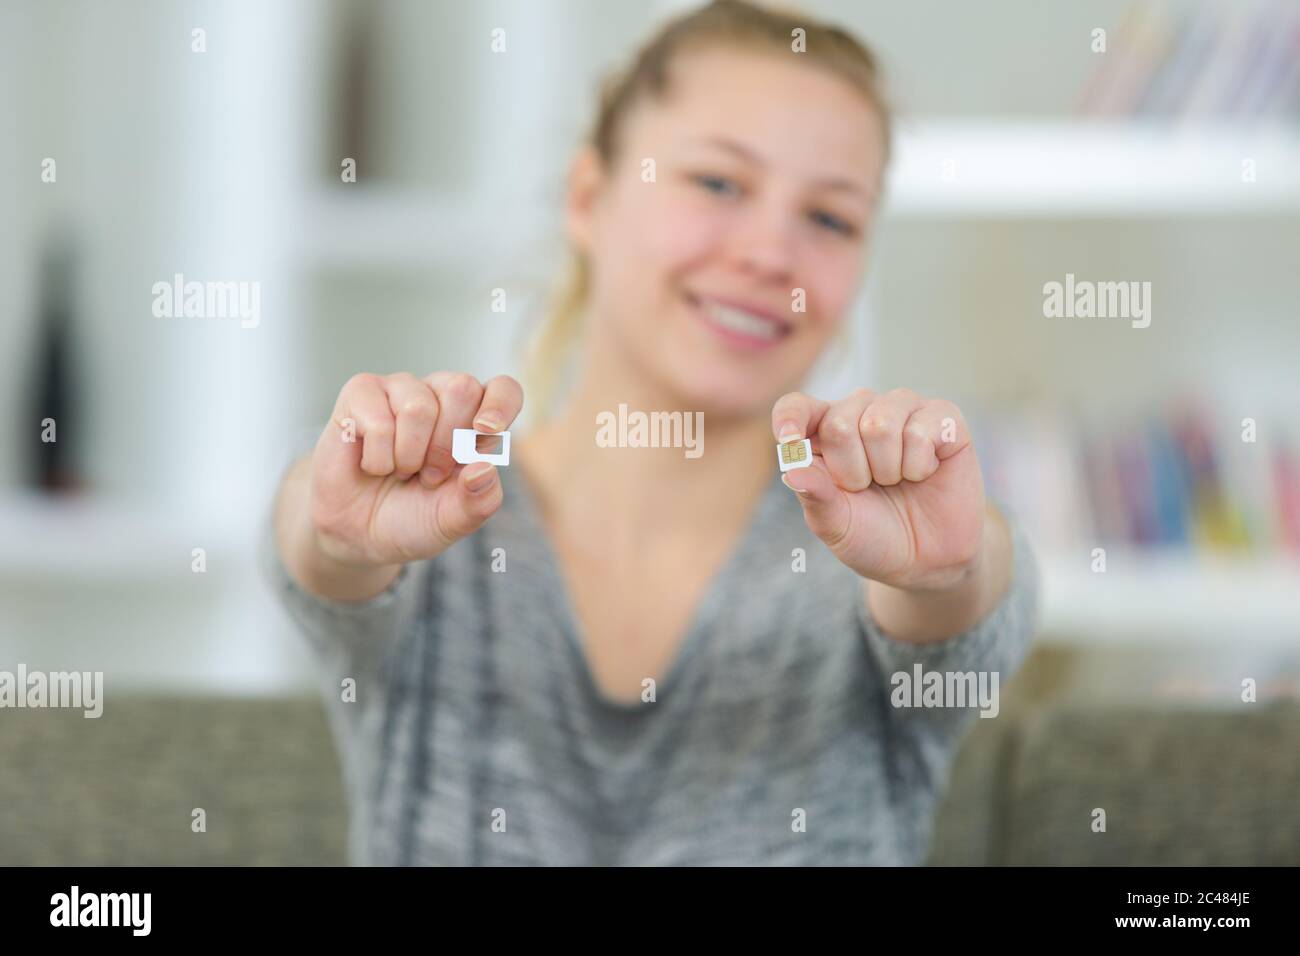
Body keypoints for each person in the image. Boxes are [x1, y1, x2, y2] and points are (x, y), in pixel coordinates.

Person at [265, 0, 1038, 865]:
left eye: (830, 219)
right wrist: (328, 510)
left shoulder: (878, 557)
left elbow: (966, 586)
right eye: (717, 183)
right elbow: (317, 544)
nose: (770, 254)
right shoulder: (428, 526)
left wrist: (953, 565)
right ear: (590, 199)